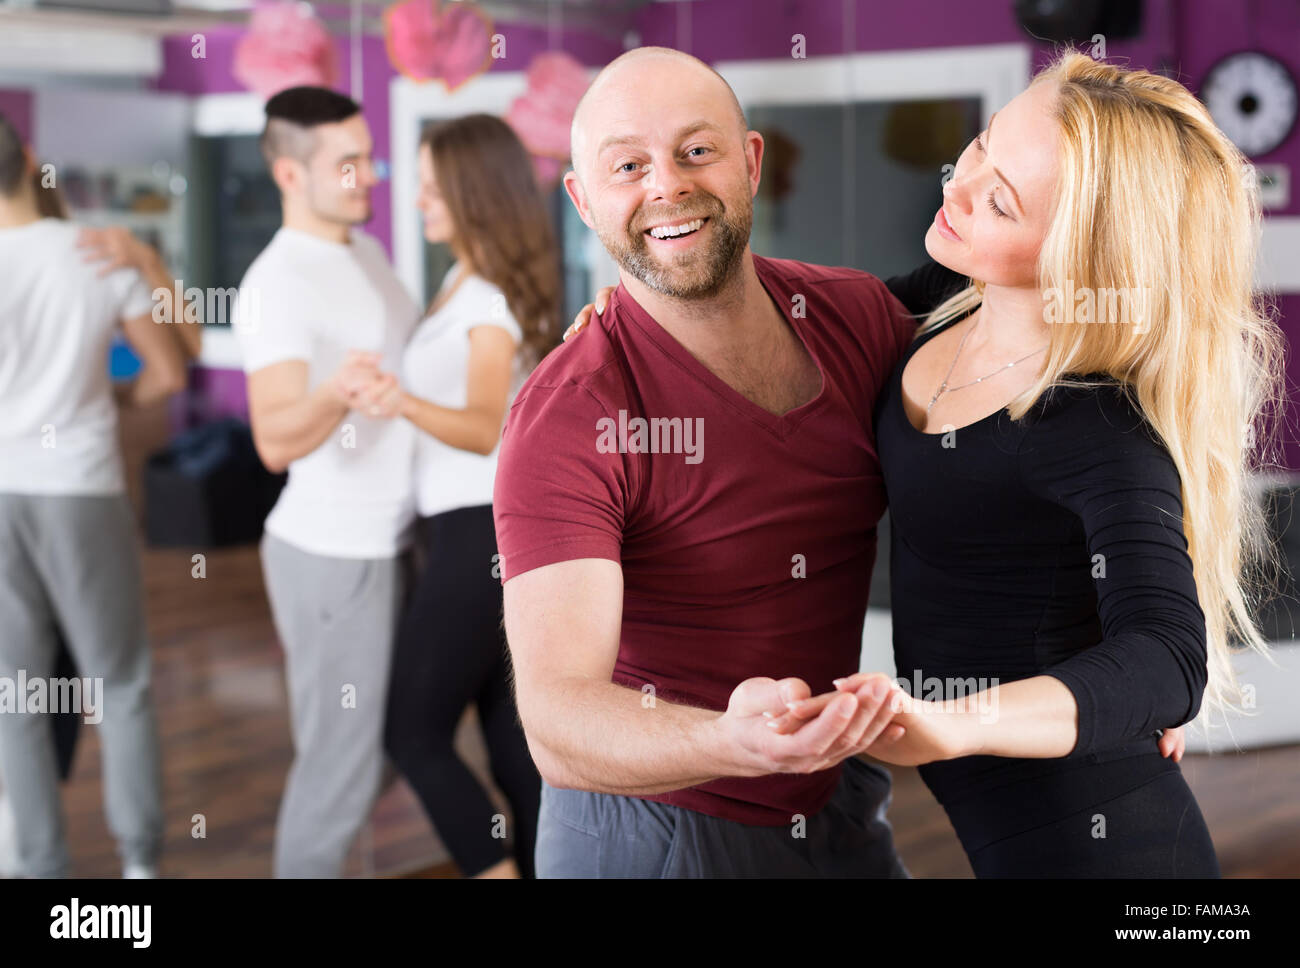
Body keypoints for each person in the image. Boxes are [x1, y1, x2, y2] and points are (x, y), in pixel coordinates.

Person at [558, 50, 1212, 878]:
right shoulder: (936, 305)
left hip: (1103, 839)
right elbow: (775, 310)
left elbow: (1165, 657)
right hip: (974, 813)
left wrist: (953, 722)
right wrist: (634, 313)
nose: (957, 187)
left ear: (1082, 254)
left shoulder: (1094, 421)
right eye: (980, 147)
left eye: (1001, 200)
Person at [492, 47, 915, 878]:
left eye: (696, 151)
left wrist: (1123, 669)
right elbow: (555, 720)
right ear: (583, 200)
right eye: (628, 166)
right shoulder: (572, 413)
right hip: (654, 826)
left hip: (832, 796)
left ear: (750, 162)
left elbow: (1006, 439)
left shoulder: (858, 317)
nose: (667, 186)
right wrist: (729, 738)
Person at [233, 86, 420, 877]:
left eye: (366, 157)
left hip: (397, 536)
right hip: (334, 552)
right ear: (288, 175)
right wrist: (333, 393)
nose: (366, 176)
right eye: (345, 164)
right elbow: (275, 438)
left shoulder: (366, 255)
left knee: (398, 742)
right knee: (341, 771)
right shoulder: (277, 284)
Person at [365, 114, 556, 879]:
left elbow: (483, 427)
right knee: (512, 739)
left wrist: (395, 399)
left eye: (432, 187)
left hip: (478, 537)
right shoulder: (467, 282)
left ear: (474, 193)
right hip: (479, 535)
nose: (417, 201)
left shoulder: (487, 302)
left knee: (412, 733)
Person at [0, 111, 186, 878]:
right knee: (123, 685)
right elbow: (168, 373)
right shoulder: (94, 253)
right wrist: (106, 403)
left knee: (17, 697)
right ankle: (140, 867)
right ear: (31, 160)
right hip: (80, 487)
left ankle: (38, 868)